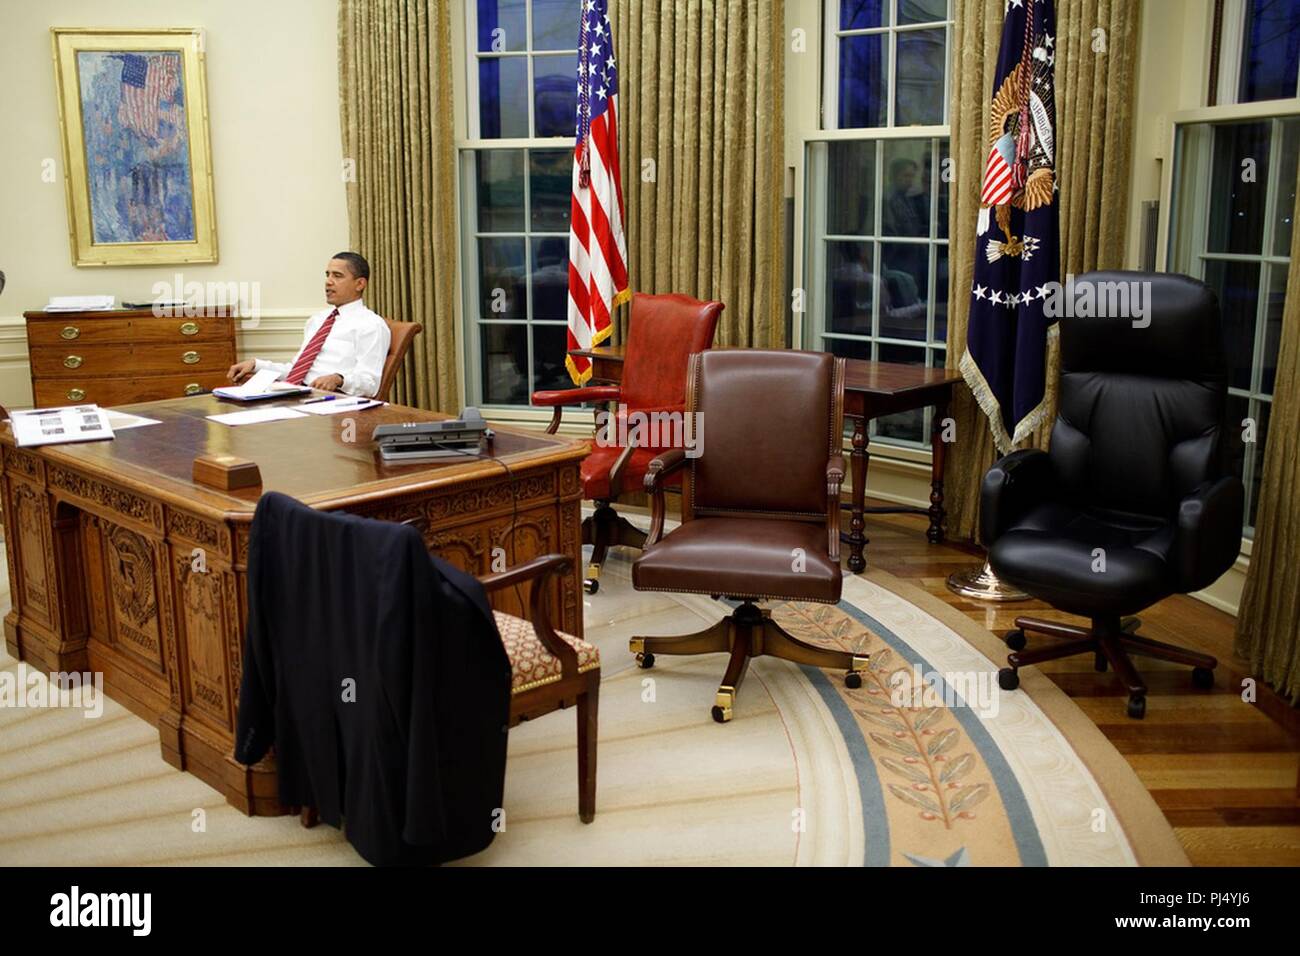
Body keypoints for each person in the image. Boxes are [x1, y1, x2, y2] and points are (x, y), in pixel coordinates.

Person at [227, 252, 390, 397]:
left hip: (332, 401)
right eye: (327, 275)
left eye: (337, 276)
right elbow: (297, 371)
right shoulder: (317, 320)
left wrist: (339, 379)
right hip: (299, 394)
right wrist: (256, 364)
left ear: (360, 284)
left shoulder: (371, 325)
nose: (328, 282)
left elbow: (370, 384)